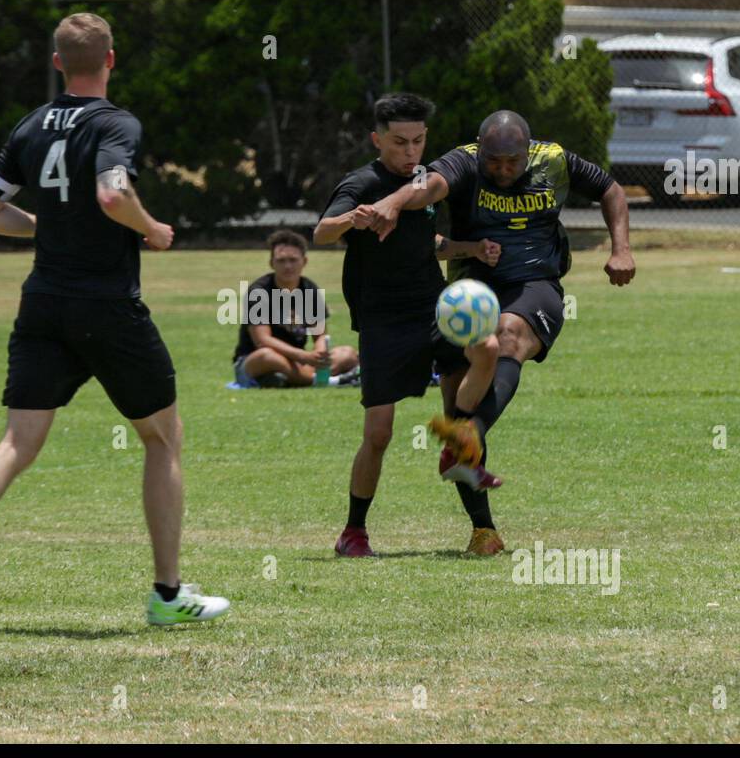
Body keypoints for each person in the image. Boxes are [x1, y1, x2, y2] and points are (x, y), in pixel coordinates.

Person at [0, 13, 230, 635]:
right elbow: (113, 193)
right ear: (111, 59)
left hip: (44, 304)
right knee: (163, 439)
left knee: (15, 445)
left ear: (58, 63)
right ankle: (167, 593)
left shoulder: (30, 125)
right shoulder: (117, 122)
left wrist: (43, 226)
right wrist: (152, 228)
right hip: (107, 306)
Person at [370, 110, 636, 553]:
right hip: (468, 293)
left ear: (528, 152)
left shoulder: (553, 160)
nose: (503, 170)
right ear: (482, 149)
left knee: (508, 336)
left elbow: (610, 189)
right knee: (456, 403)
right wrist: (395, 202)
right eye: (495, 162)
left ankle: (465, 435)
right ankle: (483, 530)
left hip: (535, 285)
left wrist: (621, 249)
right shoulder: (465, 161)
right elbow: (430, 185)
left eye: (513, 161)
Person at [313, 93, 507, 559]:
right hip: (383, 322)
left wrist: (470, 249)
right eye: (399, 142)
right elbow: (321, 232)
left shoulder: (423, 183)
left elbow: (427, 243)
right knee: (379, 434)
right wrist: (352, 219)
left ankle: (480, 521)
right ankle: (353, 532)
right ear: (377, 139)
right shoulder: (361, 182)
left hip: (433, 311)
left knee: (484, 353)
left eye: (419, 141)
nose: (410, 152)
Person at [231, 229, 357, 388]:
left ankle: (285, 378)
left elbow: (319, 335)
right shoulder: (259, 291)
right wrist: (303, 356)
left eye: (293, 260)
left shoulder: (309, 290)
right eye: (281, 260)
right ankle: (331, 381)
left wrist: (318, 355)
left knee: (348, 354)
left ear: (304, 261)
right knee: (268, 357)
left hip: (298, 361)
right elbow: (262, 341)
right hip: (254, 360)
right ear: (272, 263)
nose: (288, 266)